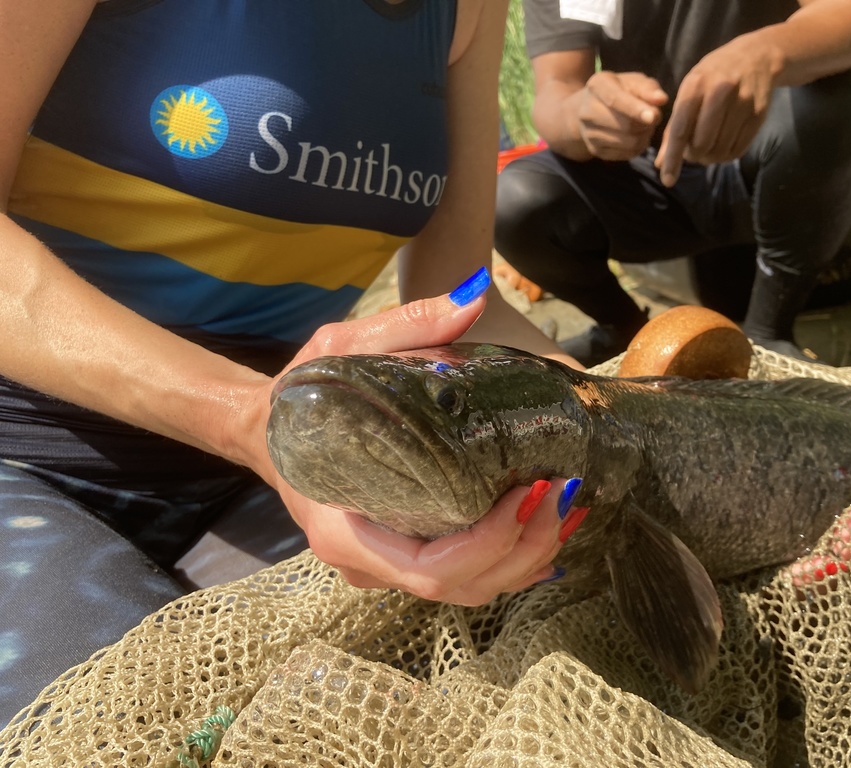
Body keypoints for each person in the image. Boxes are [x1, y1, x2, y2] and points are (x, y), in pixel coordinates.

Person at [0, 0, 587, 724]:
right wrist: (243, 415)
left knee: (438, 698)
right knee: (132, 726)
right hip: (25, 456)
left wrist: (634, 414)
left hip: (272, 465)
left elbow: (461, 302)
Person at [494, 0, 851, 366]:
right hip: (649, 174)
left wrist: (765, 51)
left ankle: (768, 334)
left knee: (833, 105)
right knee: (513, 199)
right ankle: (628, 332)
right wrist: (584, 116)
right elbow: (556, 91)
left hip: (771, 169)